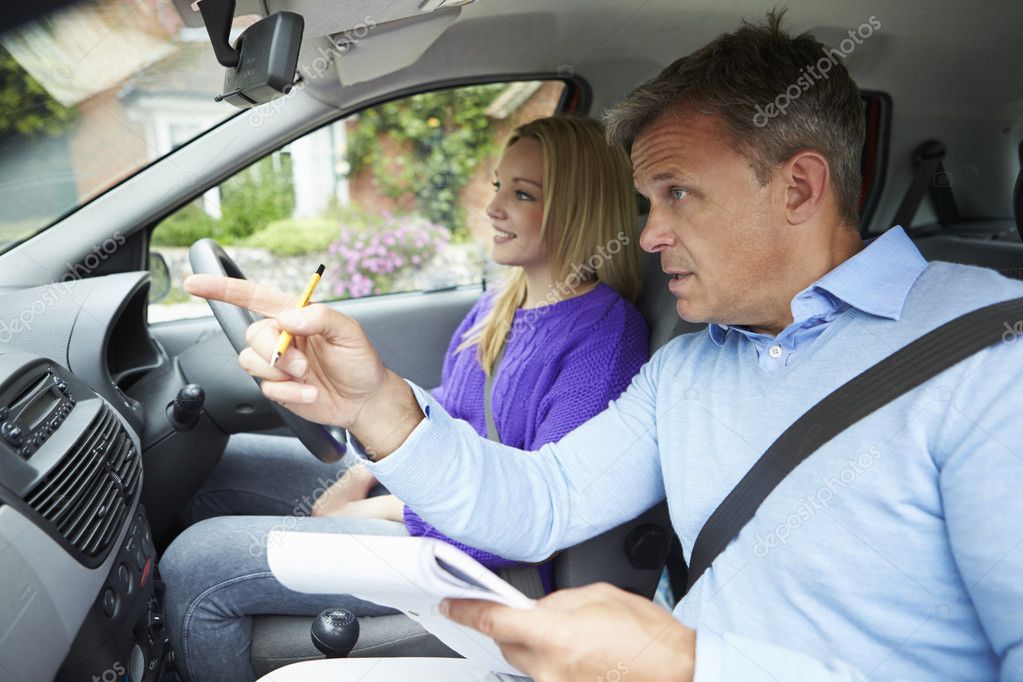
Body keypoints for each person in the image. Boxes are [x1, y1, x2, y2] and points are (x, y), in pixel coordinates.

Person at [186, 10, 1023, 682]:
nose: (649, 236)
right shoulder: (692, 365)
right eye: (643, 200)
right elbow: (539, 500)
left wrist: (696, 665)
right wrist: (378, 406)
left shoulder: (994, 355)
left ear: (798, 187)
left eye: (677, 194)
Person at [160, 115, 651, 681]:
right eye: (498, 186)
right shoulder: (501, 304)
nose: (493, 208)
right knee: (220, 470)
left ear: (579, 209)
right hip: (432, 498)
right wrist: (363, 468)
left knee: (197, 563)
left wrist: (376, 506)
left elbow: (533, 512)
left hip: (476, 558)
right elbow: (450, 406)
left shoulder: (605, 338)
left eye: (522, 195)